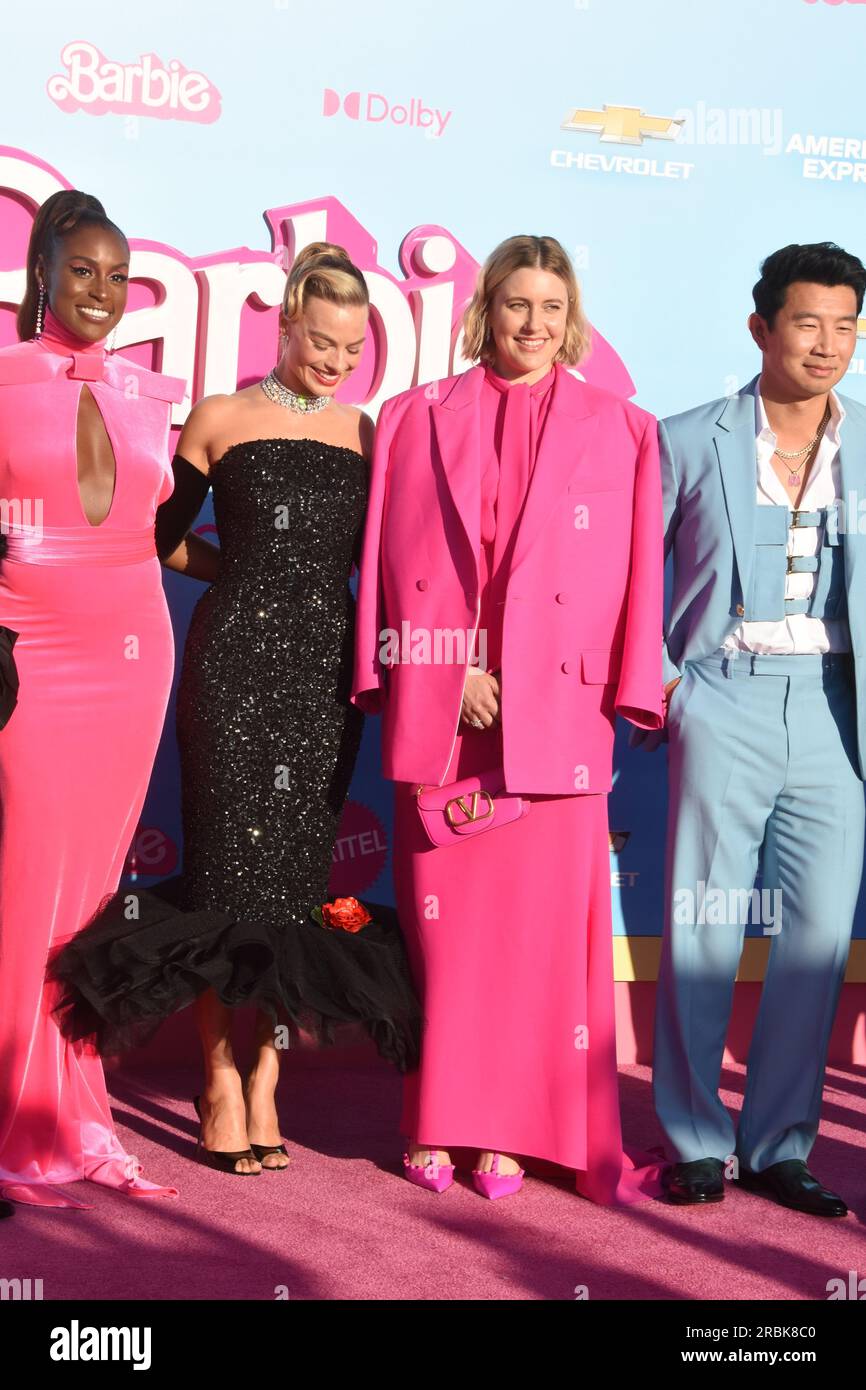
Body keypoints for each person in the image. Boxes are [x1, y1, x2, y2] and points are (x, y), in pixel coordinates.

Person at [52, 243, 421, 1176]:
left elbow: (389, 563)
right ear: (289, 319)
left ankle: (267, 1081)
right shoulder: (217, 419)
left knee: (292, 889)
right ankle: (221, 1079)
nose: (335, 362)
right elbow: (161, 541)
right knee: (226, 882)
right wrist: (254, 576)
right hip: (232, 671)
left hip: (322, 680)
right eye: (322, 340)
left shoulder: (370, 436)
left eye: (351, 349)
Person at [352, 234, 666, 1202]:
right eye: (513, 303)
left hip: (557, 719)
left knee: (536, 951)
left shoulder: (622, 427)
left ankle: (515, 1132)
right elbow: (385, 574)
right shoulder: (411, 417)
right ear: (482, 309)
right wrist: (442, 677)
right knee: (447, 946)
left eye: (549, 306)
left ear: (571, 318)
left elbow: (633, 583)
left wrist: (625, 690)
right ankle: (441, 1121)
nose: (531, 323)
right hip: (446, 716)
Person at [649, 242, 866, 1216]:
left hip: (833, 705)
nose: (826, 345)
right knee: (701, 922)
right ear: (760, 328)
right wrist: (661, 683)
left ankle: (779, 1144)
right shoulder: (689, 437)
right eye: (807, 322)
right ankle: (694, 1139)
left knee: (815, 938)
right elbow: (622, 571)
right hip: (722, 690)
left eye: (845, 326)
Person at [0, 189, 185, 1210]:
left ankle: (81, 1117)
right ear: (43, 274)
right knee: (26, 887)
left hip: (131, 652)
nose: (104, 291)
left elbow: (155, 535)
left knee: (89, 903)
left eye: (120, 276)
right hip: (31, 646)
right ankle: (16, 1124)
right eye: (84, 271)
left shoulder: (156, 395)